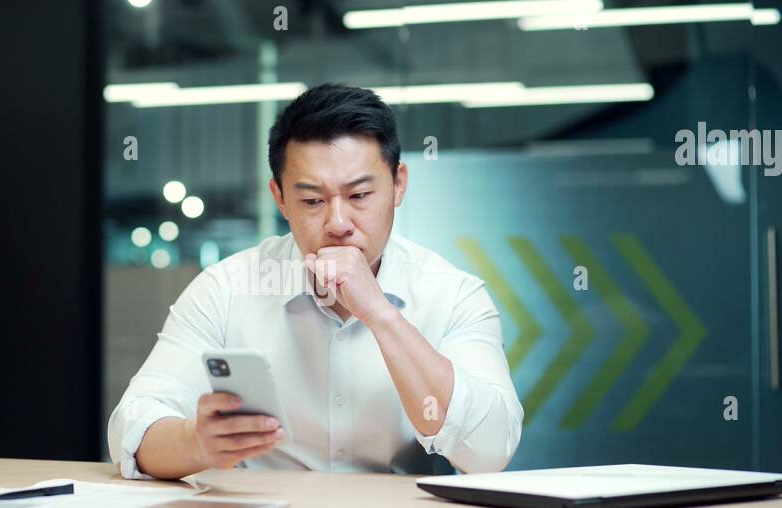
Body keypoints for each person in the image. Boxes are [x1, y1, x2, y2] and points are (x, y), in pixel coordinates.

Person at [108, 83, 523, 480]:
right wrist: (196, 443)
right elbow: (132, 427)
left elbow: (490, 451)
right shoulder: (227, 288)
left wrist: (379, 313)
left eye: (359, 196)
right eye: (311, 201)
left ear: (398, 185)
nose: (338, 224)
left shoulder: (453, 295)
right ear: (280, 199)